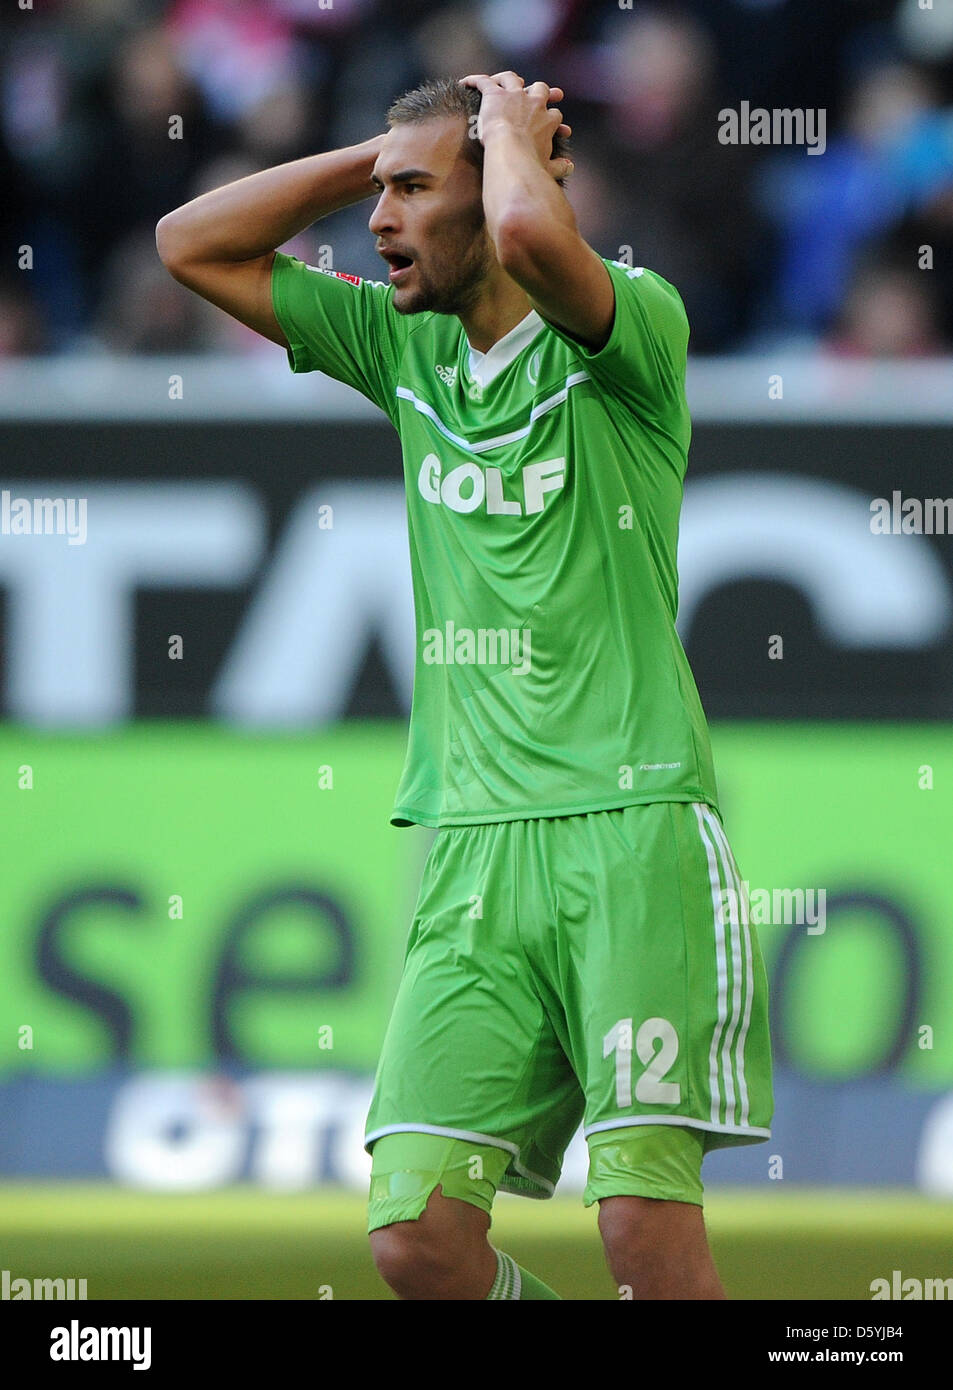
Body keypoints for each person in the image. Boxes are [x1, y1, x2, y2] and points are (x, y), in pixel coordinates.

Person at [156, 70, 773, 1300]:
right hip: (472, 851)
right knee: (417, 1240)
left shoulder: (630, 334)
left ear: (498, 190)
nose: (378, 221)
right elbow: (189, 242)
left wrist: (500, 141)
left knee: (645, 1244)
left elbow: (540, 240)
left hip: (630, 829)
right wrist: (386, 154)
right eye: (377, 195)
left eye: (408, 193)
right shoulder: (402, 346)